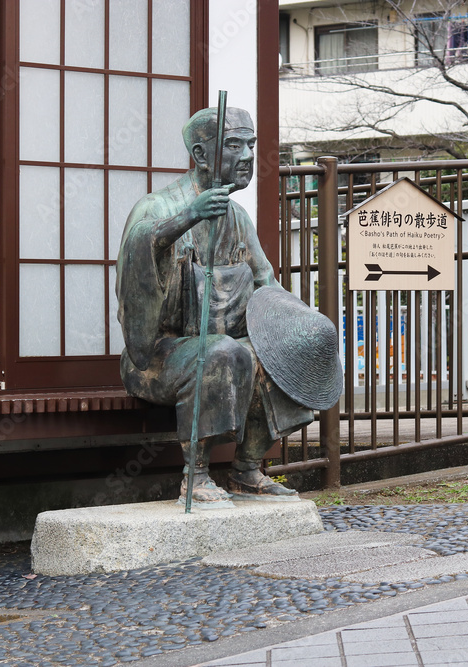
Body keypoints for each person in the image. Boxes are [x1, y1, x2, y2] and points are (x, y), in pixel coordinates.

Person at [115, 106, 338, 504]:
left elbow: (265, 284)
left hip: (222, 347)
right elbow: (138, 252)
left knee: (272, 351)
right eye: (234, 145)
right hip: (157, 357)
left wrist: (303, 327)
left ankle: (247, 469)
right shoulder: (158, 207)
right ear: (201, 155)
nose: (248, 156)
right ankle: (195, 475)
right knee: (222, 351)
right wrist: (187, 218)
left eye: (251, 145)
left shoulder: (237, 217)